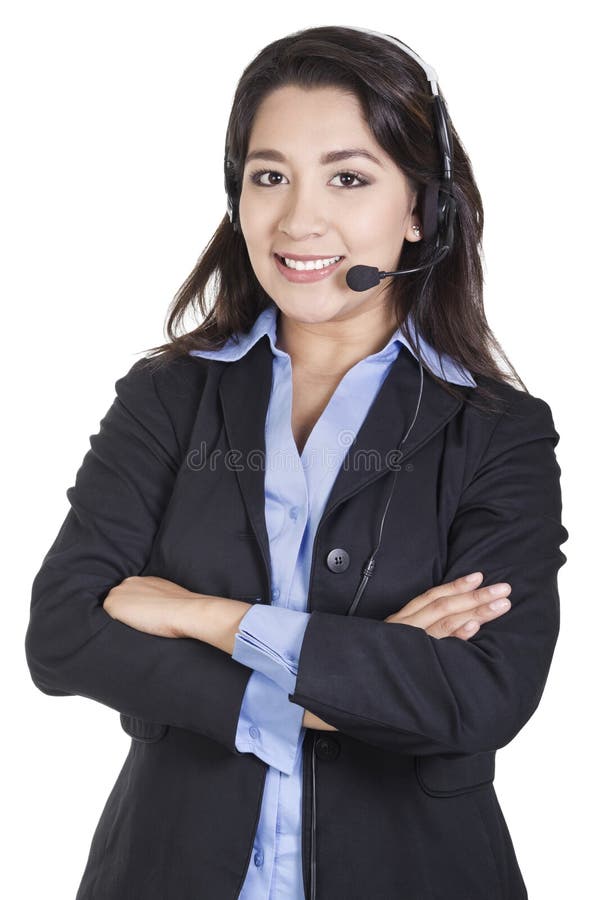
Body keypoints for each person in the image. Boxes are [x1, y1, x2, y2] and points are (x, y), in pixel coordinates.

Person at [25, 25, 569, 900]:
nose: (298, 219)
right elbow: (62, 635)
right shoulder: (167, 398)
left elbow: (479, 697)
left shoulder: (498, 430)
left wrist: (200, 615)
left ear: (421, 211)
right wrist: (347, 680)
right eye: (268, 176)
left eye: (348, 179)